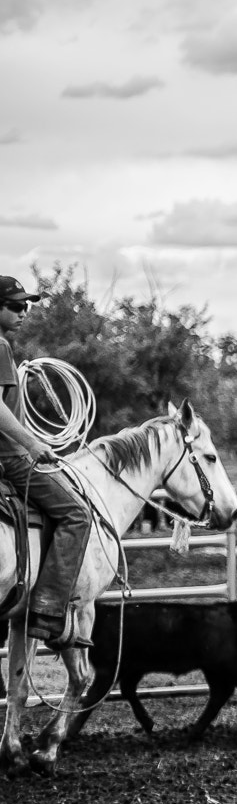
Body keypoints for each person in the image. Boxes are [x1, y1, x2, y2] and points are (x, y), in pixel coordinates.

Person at [0, 276, 92, 644]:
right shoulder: (0, 346)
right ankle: (49, 611)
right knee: (77, 514)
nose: (24, 313)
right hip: (11, 457)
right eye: (15, 306)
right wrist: (33, 444)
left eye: (26, 306)